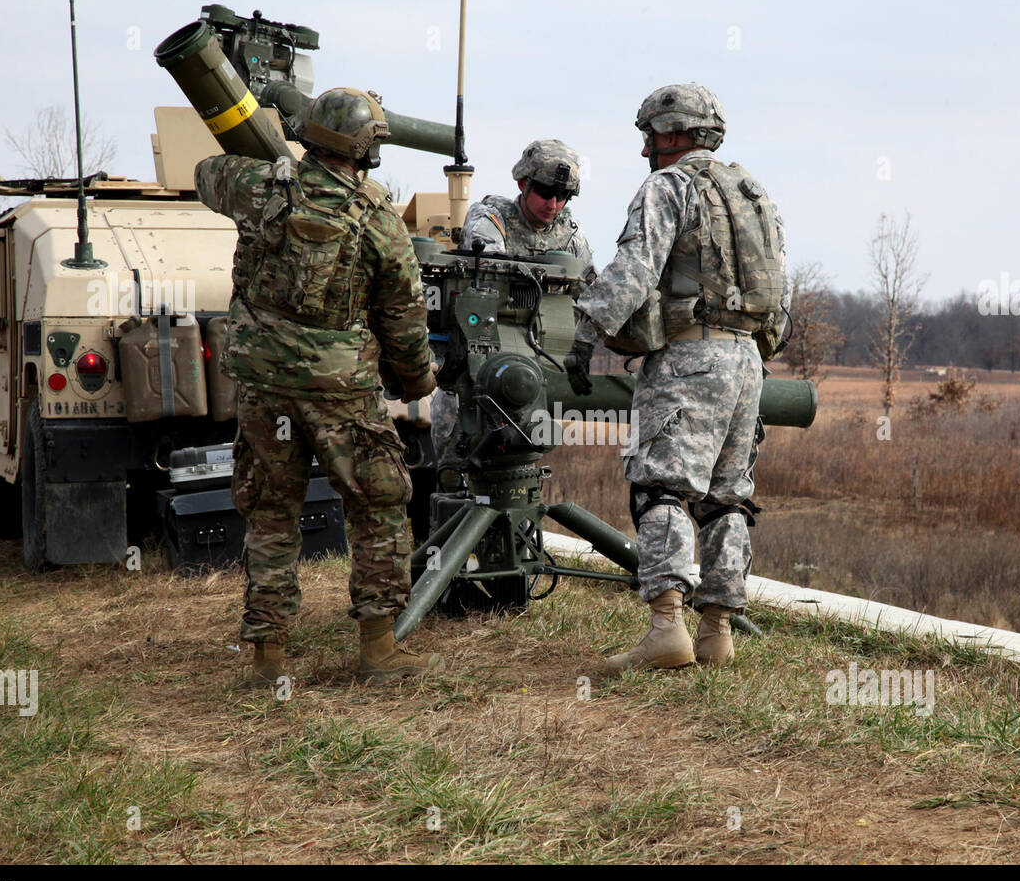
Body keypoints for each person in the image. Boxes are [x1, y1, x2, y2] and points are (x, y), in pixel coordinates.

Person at [195, 87, 444, 686]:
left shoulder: (257, 187)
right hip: (341, 387)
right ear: (365, 148)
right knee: (378, 503)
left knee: (270, 511)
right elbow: (404, 316)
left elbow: (206, 173)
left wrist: (270, 158)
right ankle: (379, 648)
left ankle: (266, 656)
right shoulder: (380, 217)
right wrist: (415, 381)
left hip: (262, 382)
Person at [566, 83, 787, 675]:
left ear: (671, 133)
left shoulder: (669, 186)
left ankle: (667, 629)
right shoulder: (753, 191)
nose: (644, 151)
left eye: (649, 138)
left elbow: (634, 272)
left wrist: (584, 334)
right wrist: (750, 353)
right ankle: (717, 632)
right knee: (727, 497)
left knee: (659, 488)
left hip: (689, 360)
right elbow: (779, 293)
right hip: (746, 363)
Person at [431, 140, 595, 470]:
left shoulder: (571, 238)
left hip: (531, 370)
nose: (554, 204)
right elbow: (490, 278)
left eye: (563, 196)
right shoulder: (492, 219)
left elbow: (594, 297)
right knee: (454, 459)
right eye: (546, 192)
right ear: (523, 185)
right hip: (474, 365)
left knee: (520, 460)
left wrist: (581, 348)